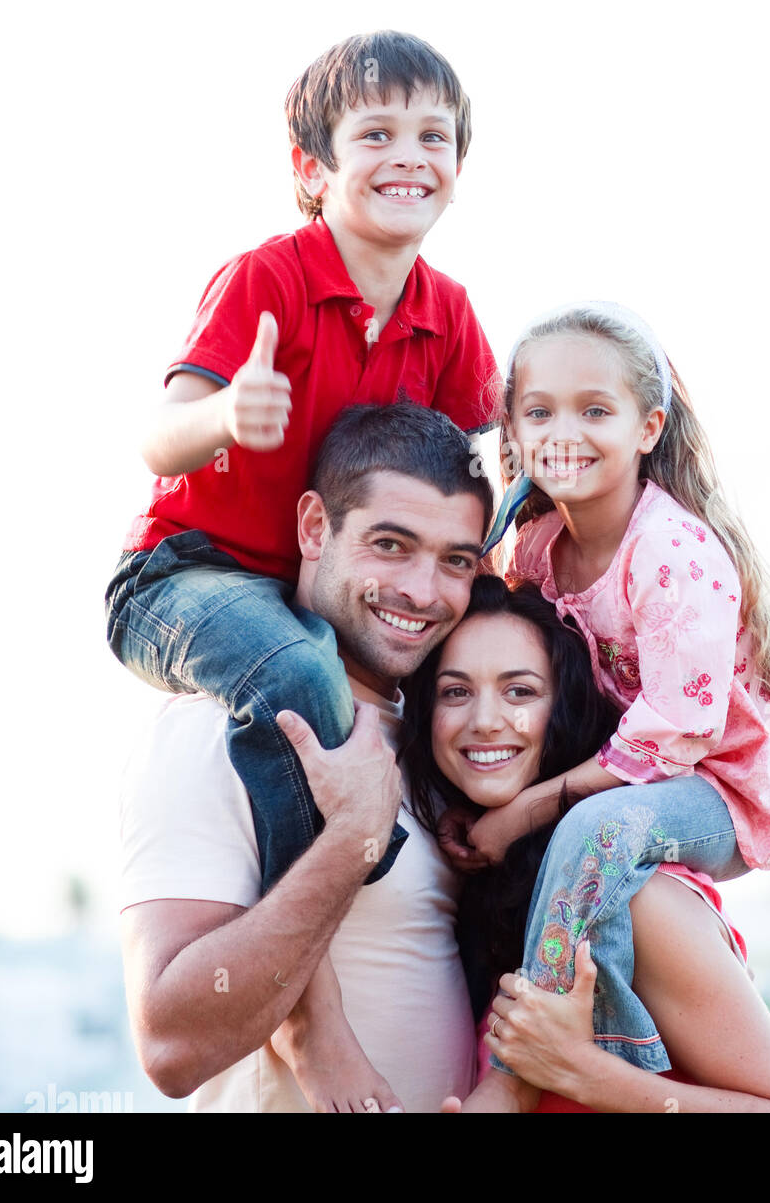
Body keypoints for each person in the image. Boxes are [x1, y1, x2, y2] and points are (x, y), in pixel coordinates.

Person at [106, 28, 499, 893]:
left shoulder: (448, 312)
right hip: (186, 578)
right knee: (294, 672)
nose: (410, 155)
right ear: (311, 168)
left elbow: (487, 472)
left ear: (457, 171)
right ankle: (340, 885)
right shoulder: (268, 279)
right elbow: (157, 437)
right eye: (376, 134)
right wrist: (225, 413)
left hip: (320, 591)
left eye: (434, 136)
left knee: (510, 649)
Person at [442, 301, 770, 1105]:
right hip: (625, 787)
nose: (562, 432)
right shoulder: (540, 547)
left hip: (714, 793)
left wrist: (525, 808)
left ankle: (562, 1060)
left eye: (595, 411)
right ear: (510, 426)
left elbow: (675, 737)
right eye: (538, 411)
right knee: (590, 834)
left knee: (594, 829)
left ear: (647, 428)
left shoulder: (670, 553)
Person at [119, 403, 493, 1112]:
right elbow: (170, 1046)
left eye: (455, 560)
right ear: (315, 527)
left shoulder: (436, 733)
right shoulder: (212, 730)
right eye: (390, 545)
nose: (421, 590)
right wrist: (352, 841)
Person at [400, 575, 770, 1112]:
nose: (484, 722)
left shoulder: (640, 901)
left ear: (567, 707)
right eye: (455, 692)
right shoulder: (484, 888)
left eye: (520, 691)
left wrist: (582, 1073)